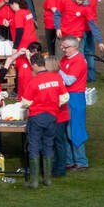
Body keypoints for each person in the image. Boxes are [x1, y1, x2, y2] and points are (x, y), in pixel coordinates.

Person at [20, 58, 67, 189]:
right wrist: (53, 105)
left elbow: (25, 101)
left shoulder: (34, 81)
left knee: (34, 146)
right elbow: (64, 97)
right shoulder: (56, 78)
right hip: (52, 116)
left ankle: (34, 181)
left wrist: (35, 104)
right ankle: (47, 179)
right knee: (49, 145)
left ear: (35, 65)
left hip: (36, 117)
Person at [58, 36, 91, 171]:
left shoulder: (79, 61)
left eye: (64, 47)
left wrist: (56, 69)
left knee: (75, 130)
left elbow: (69, 81)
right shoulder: (65, 59)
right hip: (66, 97)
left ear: (73, 47)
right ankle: (69, 160)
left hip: (75, 98)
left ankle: (81, 161)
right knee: (65, 129)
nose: (62, 49)